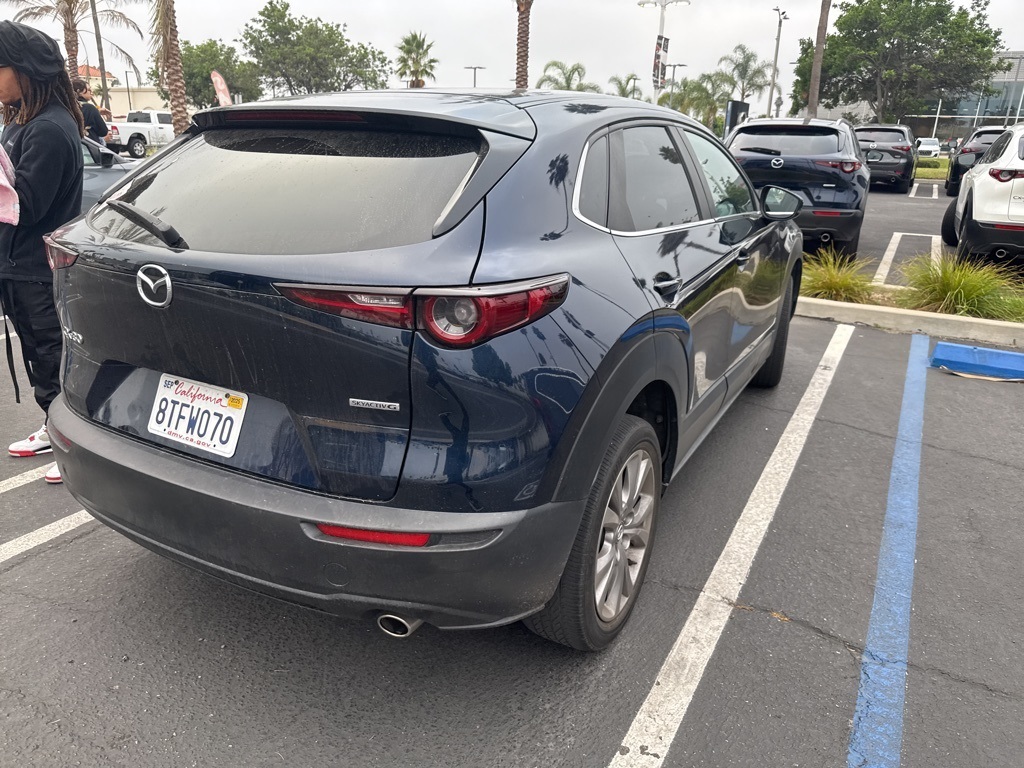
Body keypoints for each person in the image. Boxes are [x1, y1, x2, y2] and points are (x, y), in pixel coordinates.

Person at [0, 21, 85, 485]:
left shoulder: (51, 128)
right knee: (35, 353)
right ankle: (52, 425)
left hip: (39, 268)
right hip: (15, 267)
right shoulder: (19, 123)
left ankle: (73, 441)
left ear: (26, 69)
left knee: (54, 355)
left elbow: (26, 206)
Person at [72, 77, 107, 144]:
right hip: (87, 144)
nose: (91, 92)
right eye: (89, 90)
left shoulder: (67, 107)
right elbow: (103, 131)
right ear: (80, 92)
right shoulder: (90, 108)